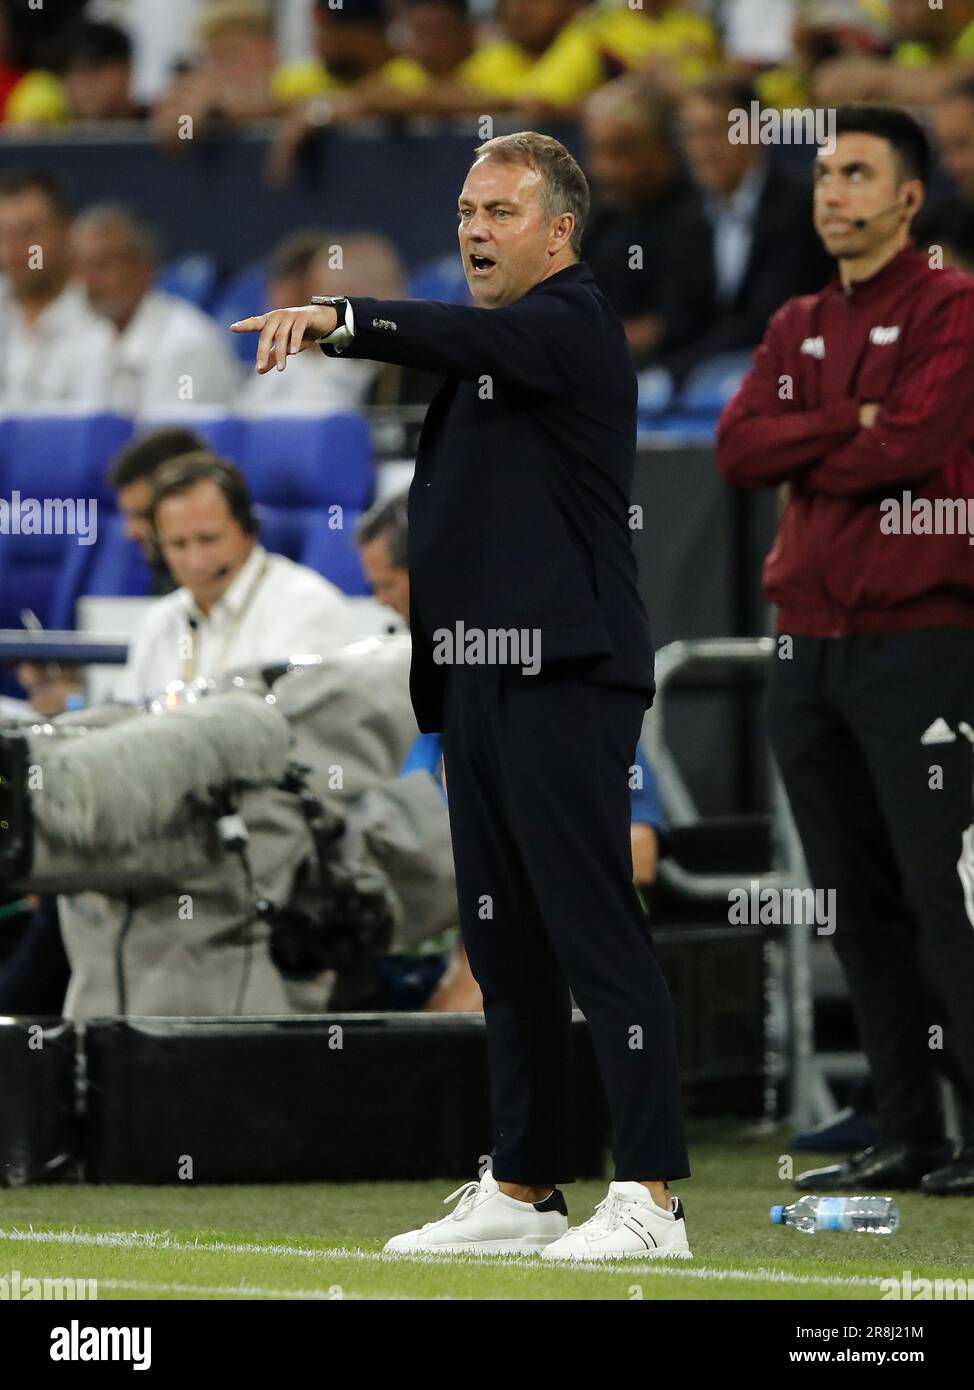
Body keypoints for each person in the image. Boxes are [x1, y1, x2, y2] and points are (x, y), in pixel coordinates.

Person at [233, 129, 691, 1259]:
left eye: (498, 213)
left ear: (558, 231)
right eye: (464, 213)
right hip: (482, 674)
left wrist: (345, 315)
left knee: (593, 929)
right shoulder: (506, 342)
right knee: (501, 940)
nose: (474, 232)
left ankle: (652, 1199)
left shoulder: (571, 319)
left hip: (564, 671)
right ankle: (526, 1185)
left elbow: (439, 333)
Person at [717, 104, 974, 1197]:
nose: (831, 191)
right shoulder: (796, 322)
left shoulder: (953, 305)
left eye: (856, 173)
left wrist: (827, 436)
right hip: (805, 647)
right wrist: (847, 423)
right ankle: (908, 1131)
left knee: (940, 896)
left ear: (906, 199)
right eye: (823, 173)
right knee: (851, 905)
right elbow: (735, 449)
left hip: (918, 641)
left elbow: (915, 442)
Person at [116, 452, 360, 700]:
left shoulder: (306, 607)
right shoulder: (157, 622)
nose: (195, 561)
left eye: (209, 539)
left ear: (248, 531)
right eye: (178, 544)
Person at [68, 203, 241, 414]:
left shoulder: (187, 345)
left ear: (145, 267)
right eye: (82, 265)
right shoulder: (89, 336)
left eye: (103, 264)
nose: (89, 280)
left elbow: (172, 442)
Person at [0, 170, 94, 408]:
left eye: (27, 232)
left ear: (66, 231)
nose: (14, 248)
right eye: (4, 234)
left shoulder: (101, 318)